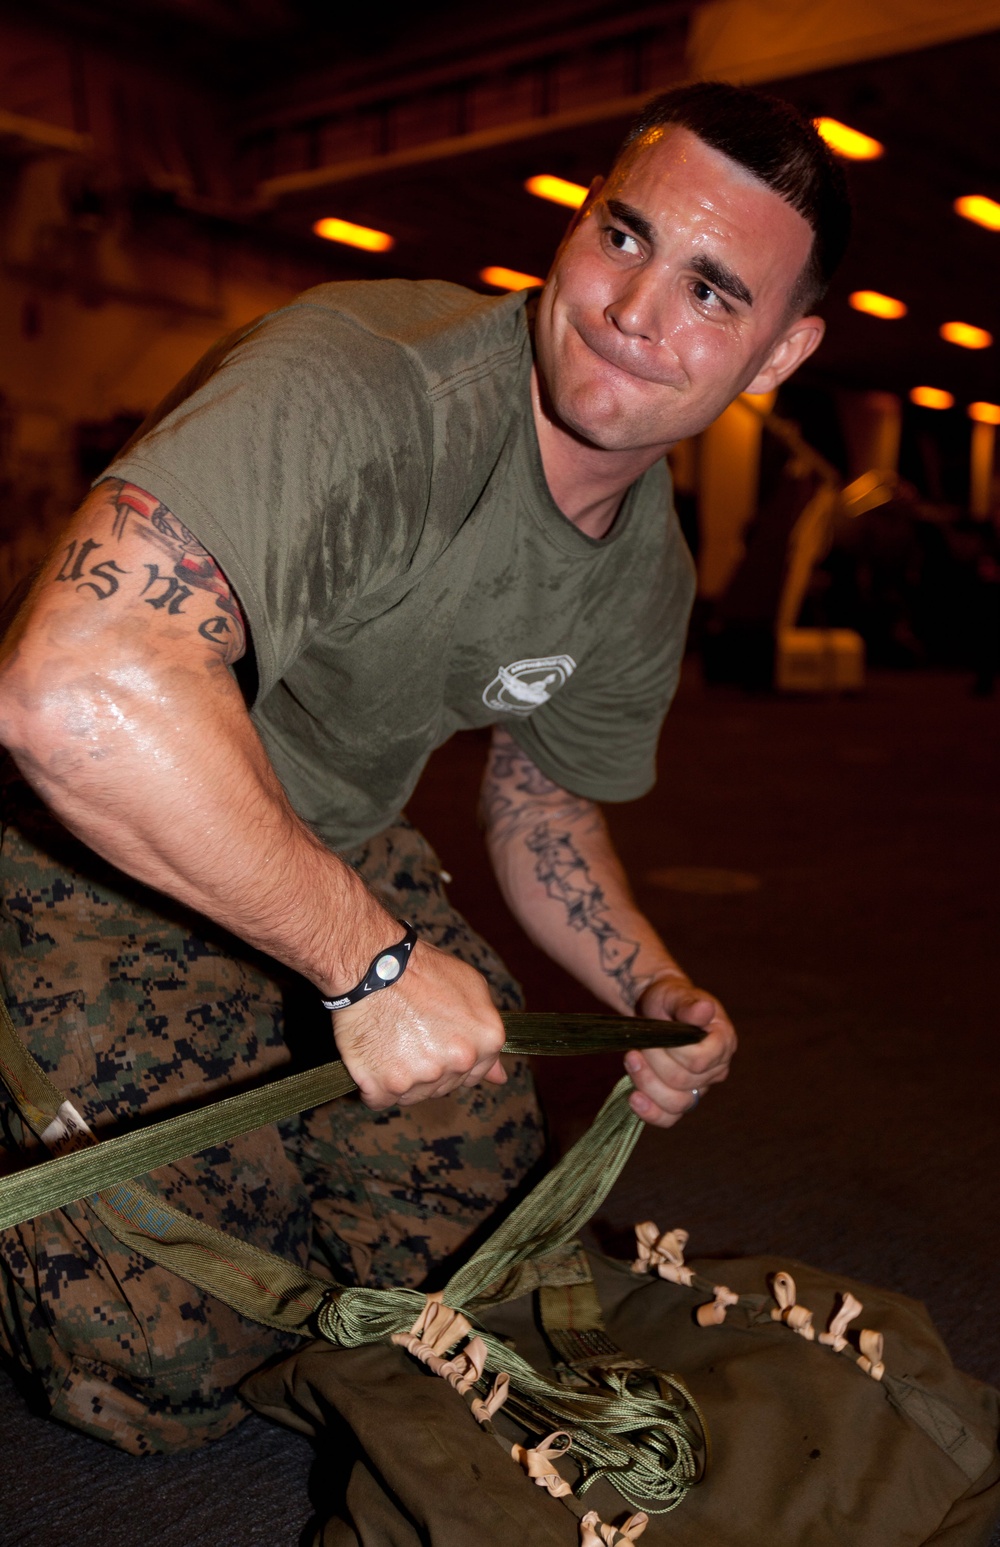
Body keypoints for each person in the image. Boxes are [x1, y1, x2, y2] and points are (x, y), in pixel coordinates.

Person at [0, 82, 849, 1453]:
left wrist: (654, 988)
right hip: (71, 843)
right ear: (573, 229)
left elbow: (540, 800)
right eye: (622, 237)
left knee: (472, 1277)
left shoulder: (645, 576)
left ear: (778, 353)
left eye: (711, 290)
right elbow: (70, 692)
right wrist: (369, 966)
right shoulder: (365, 383)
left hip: (324, 845)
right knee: (158, 1372)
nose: (635, 309)